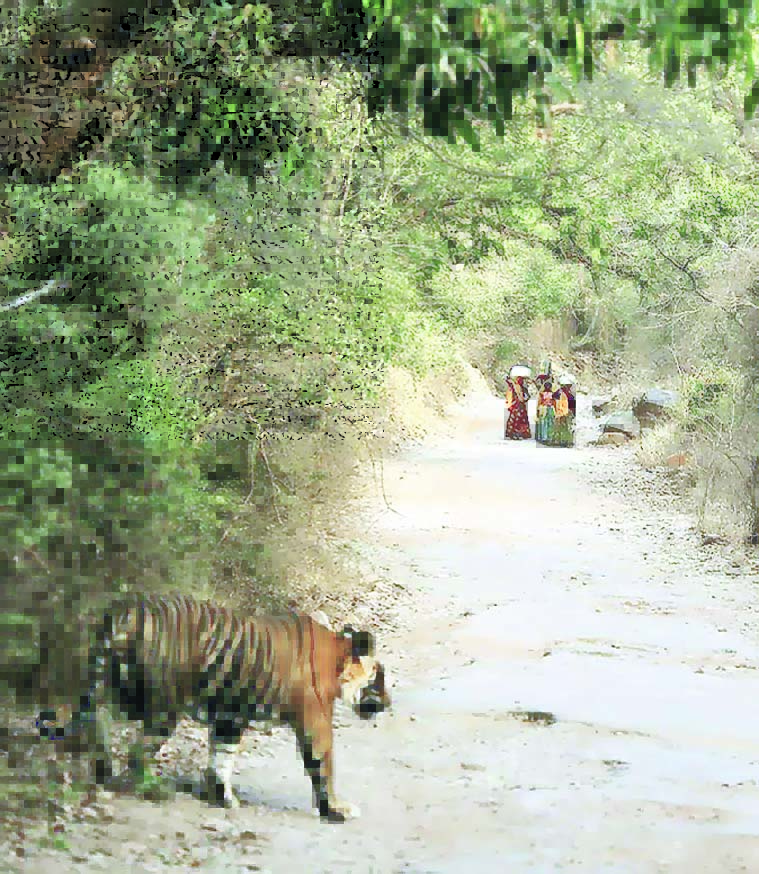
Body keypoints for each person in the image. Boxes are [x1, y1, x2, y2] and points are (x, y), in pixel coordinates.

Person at [504, 365, 532, 440]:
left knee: (515, 419)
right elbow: (521, 396)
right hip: (519, 405)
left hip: (516, 405)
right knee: (519, 419)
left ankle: (513, 432)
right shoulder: (518, 386)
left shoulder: (515, 385)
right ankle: (518, 433)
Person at [549, 374, 576, 447]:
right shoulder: (567, 394)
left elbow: (552, 400)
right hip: (565, 412)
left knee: (558, 427)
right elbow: (571, 404)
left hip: (559, 412)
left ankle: (557, 440)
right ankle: (566, 441)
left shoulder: (558, 392)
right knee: (566, 427)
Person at [534, 363, 556, 445]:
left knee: (542, 421)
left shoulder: (540, 379)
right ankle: (548, 437)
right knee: (548, 422)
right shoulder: (550, 379)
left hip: (543, 407)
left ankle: (542, 436)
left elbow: (537, 386)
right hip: (549, 407)